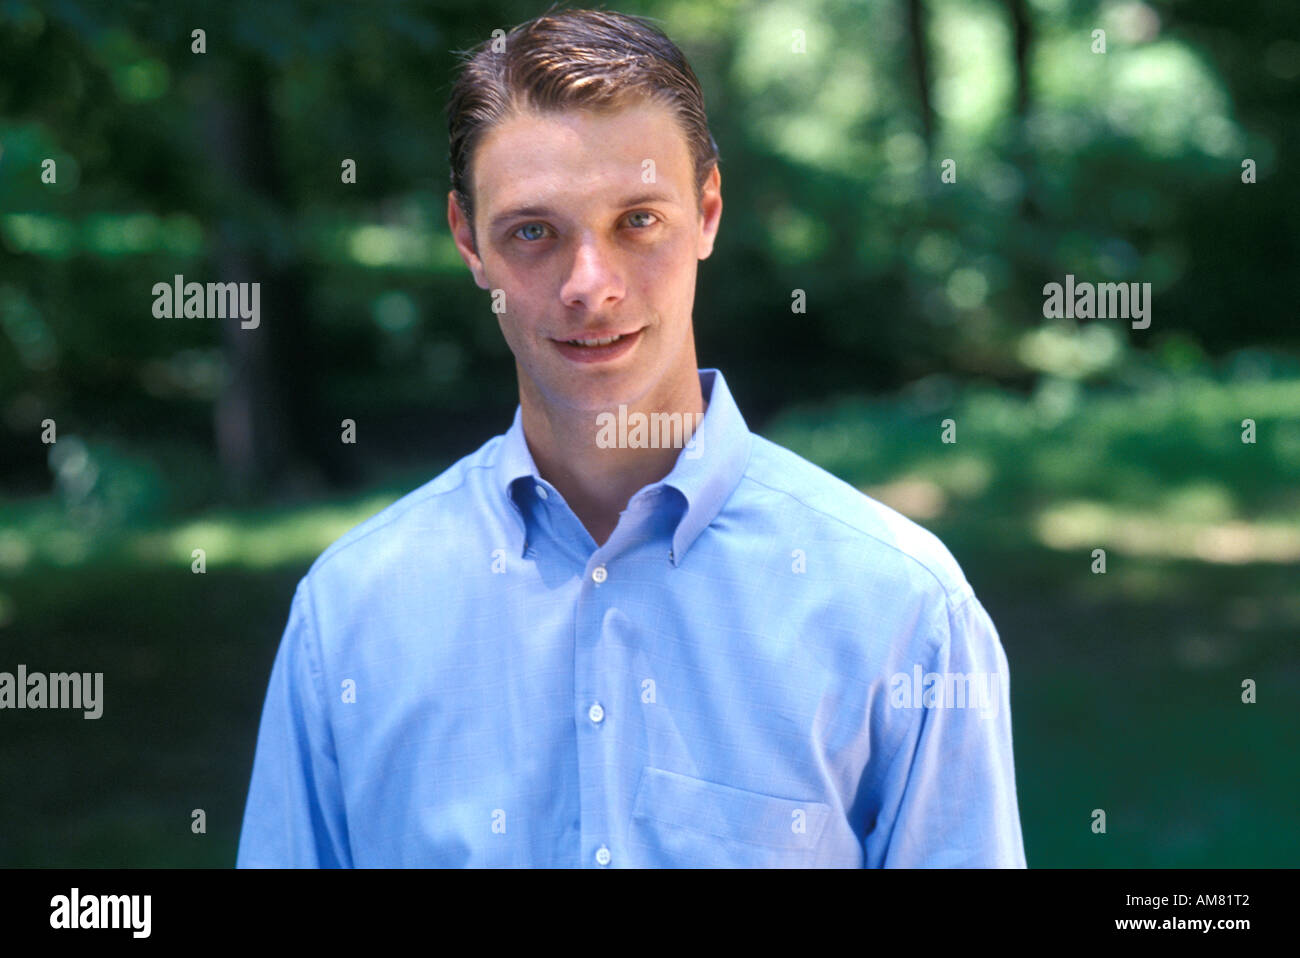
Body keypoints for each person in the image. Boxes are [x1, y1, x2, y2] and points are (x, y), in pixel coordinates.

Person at [236, 6, 1027, 868]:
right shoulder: (350, 615)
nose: (591, 285)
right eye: (533, 231)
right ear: (468, 240)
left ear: (708, 212)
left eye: (638, 221)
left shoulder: (902, 610)